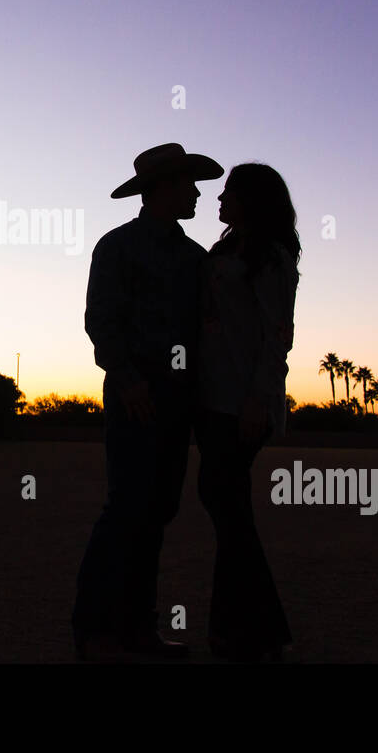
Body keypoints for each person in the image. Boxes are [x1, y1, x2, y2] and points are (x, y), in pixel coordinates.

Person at [72, 143, 223, 661]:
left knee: (156, 510)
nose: (198, 193)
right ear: (166, 187)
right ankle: (97, 632)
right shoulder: (117, 247)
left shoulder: (196, 258)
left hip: (177, 402)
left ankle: (138, 628)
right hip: (137, 395)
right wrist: (129, 380)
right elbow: (102, 321)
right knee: (126, 510)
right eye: (189, 184)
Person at [195, 162, 301, 662]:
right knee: (228, 508)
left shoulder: (271, 258)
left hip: (244, 403)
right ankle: (238, 629)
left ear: (252, 200)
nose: (219, 201)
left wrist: (259, 398)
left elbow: (279, 335)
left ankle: (255, 630)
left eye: (228, 193)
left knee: (225, 504)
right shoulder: (222, 252)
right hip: (213, 399)